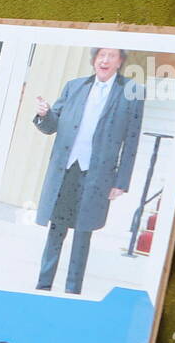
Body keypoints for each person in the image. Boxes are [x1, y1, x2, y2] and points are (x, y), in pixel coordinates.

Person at [32, 47, 144, 295]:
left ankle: (73, 292)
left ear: (120, 61)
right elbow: (51, 126)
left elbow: (132, 140)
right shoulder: (74, 87)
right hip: (67, 170)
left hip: (97, 175)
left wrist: (121, 181)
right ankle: (42, 286)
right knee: (56, 229)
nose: (104, 60)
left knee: (83, 234)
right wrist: (44, 114)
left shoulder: (131, 92)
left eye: (111, 56)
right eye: (100, 55)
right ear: (94, 60)